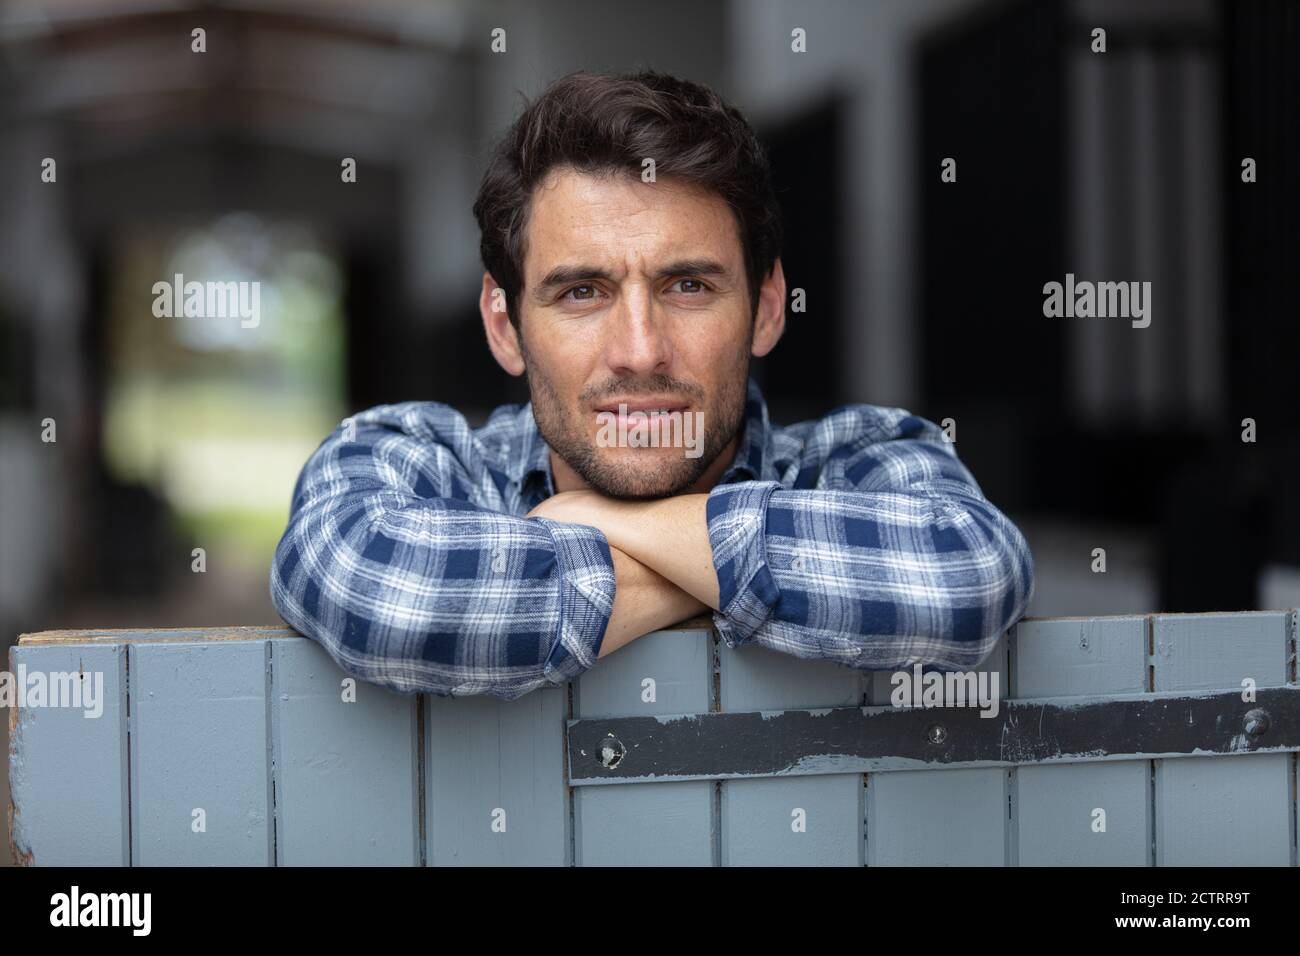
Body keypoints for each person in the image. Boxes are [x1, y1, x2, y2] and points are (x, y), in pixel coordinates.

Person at [269, 69, 1035, 699]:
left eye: (689, 286)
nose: (640, 351)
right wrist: (714, 571)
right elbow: (364, 582)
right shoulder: (414, 455)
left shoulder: (860, 455)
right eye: (581, 293)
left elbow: (969, 574)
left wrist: (588, 530)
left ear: (767, 308)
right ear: (504, 326)